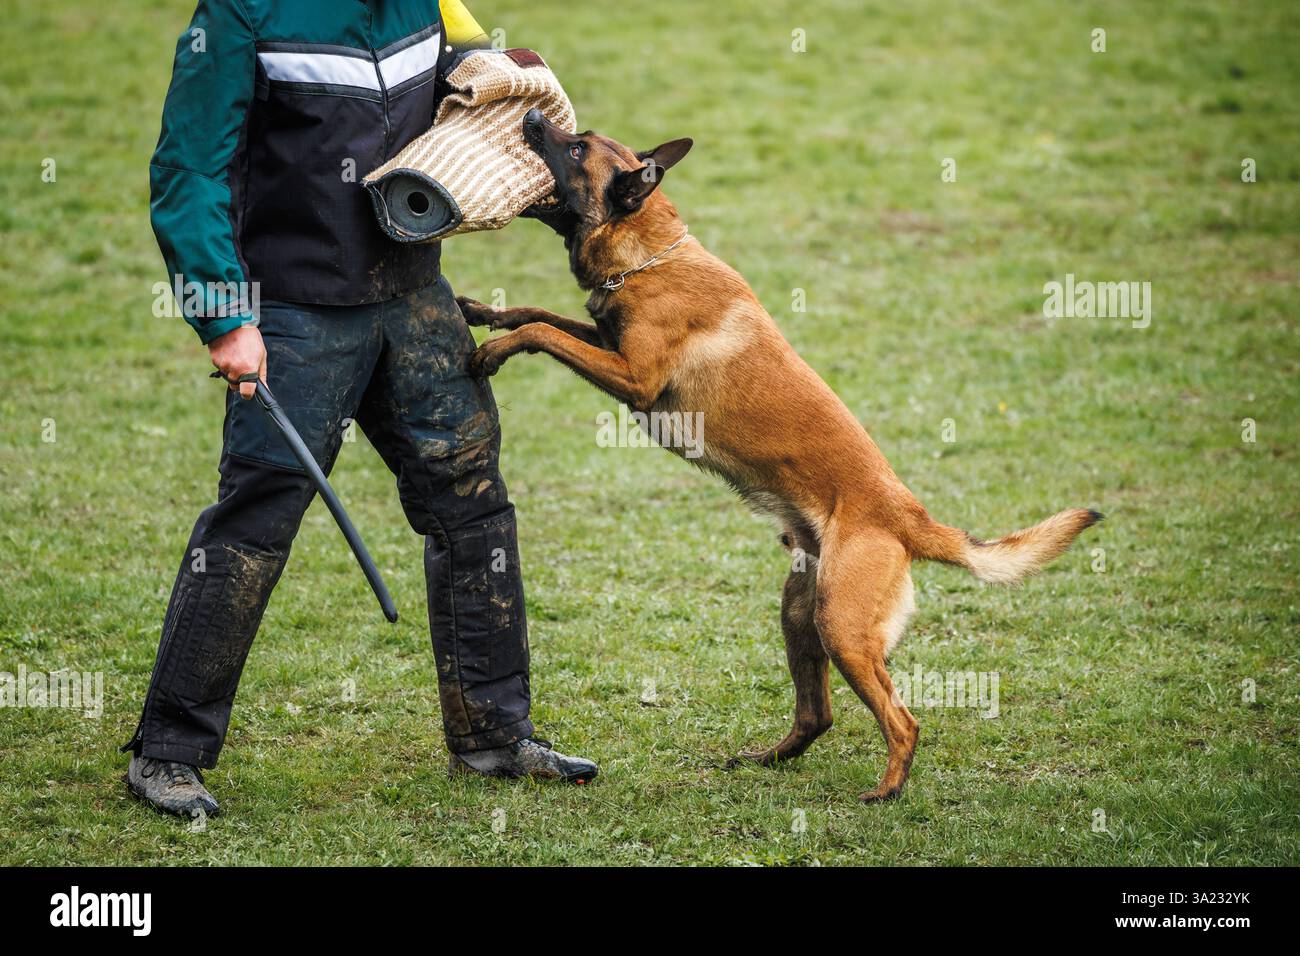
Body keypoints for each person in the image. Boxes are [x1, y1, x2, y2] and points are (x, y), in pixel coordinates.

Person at [122, 0, 595, 819]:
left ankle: (493, 735)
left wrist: (514, 81)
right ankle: (168, 752)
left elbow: (481, 76)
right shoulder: (240, 13)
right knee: (256, 519)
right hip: (294, 313)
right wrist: (223, 315)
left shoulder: (428, 0)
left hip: (415, 296)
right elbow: (189, 169)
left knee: (472, 504)